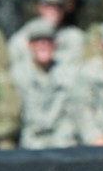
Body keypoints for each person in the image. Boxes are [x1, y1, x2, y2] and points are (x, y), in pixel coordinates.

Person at [9, 18, 78, 149]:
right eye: (37, 40)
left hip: (62, 138)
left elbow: (73, 111)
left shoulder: (70, 73)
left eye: (48, 40)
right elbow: (16, 115)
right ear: (29, 44)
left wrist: (64, 137)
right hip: (28, 138)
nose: (43, 45)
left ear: (55, 43)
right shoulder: (16, 75)